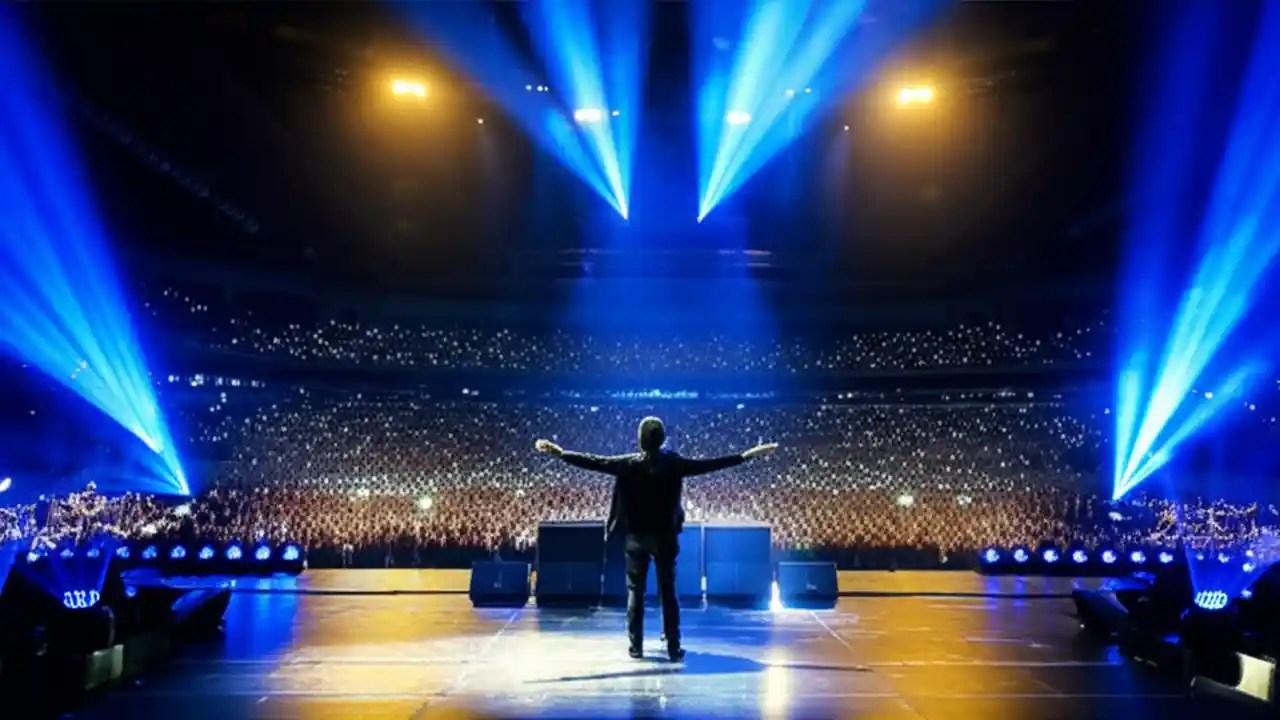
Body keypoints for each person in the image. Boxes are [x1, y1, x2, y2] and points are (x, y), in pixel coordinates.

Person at [535, 416, 778, 661]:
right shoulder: (673, 464)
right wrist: (747, 455)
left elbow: (595, 462)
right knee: (668, 592)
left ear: (640, 439)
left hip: (636, 538)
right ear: (662, 439)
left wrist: (561, 453)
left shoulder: (628, 464)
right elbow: (710, 465)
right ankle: (673, 647)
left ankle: (636, 646)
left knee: (635, 592)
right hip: (665, 537)